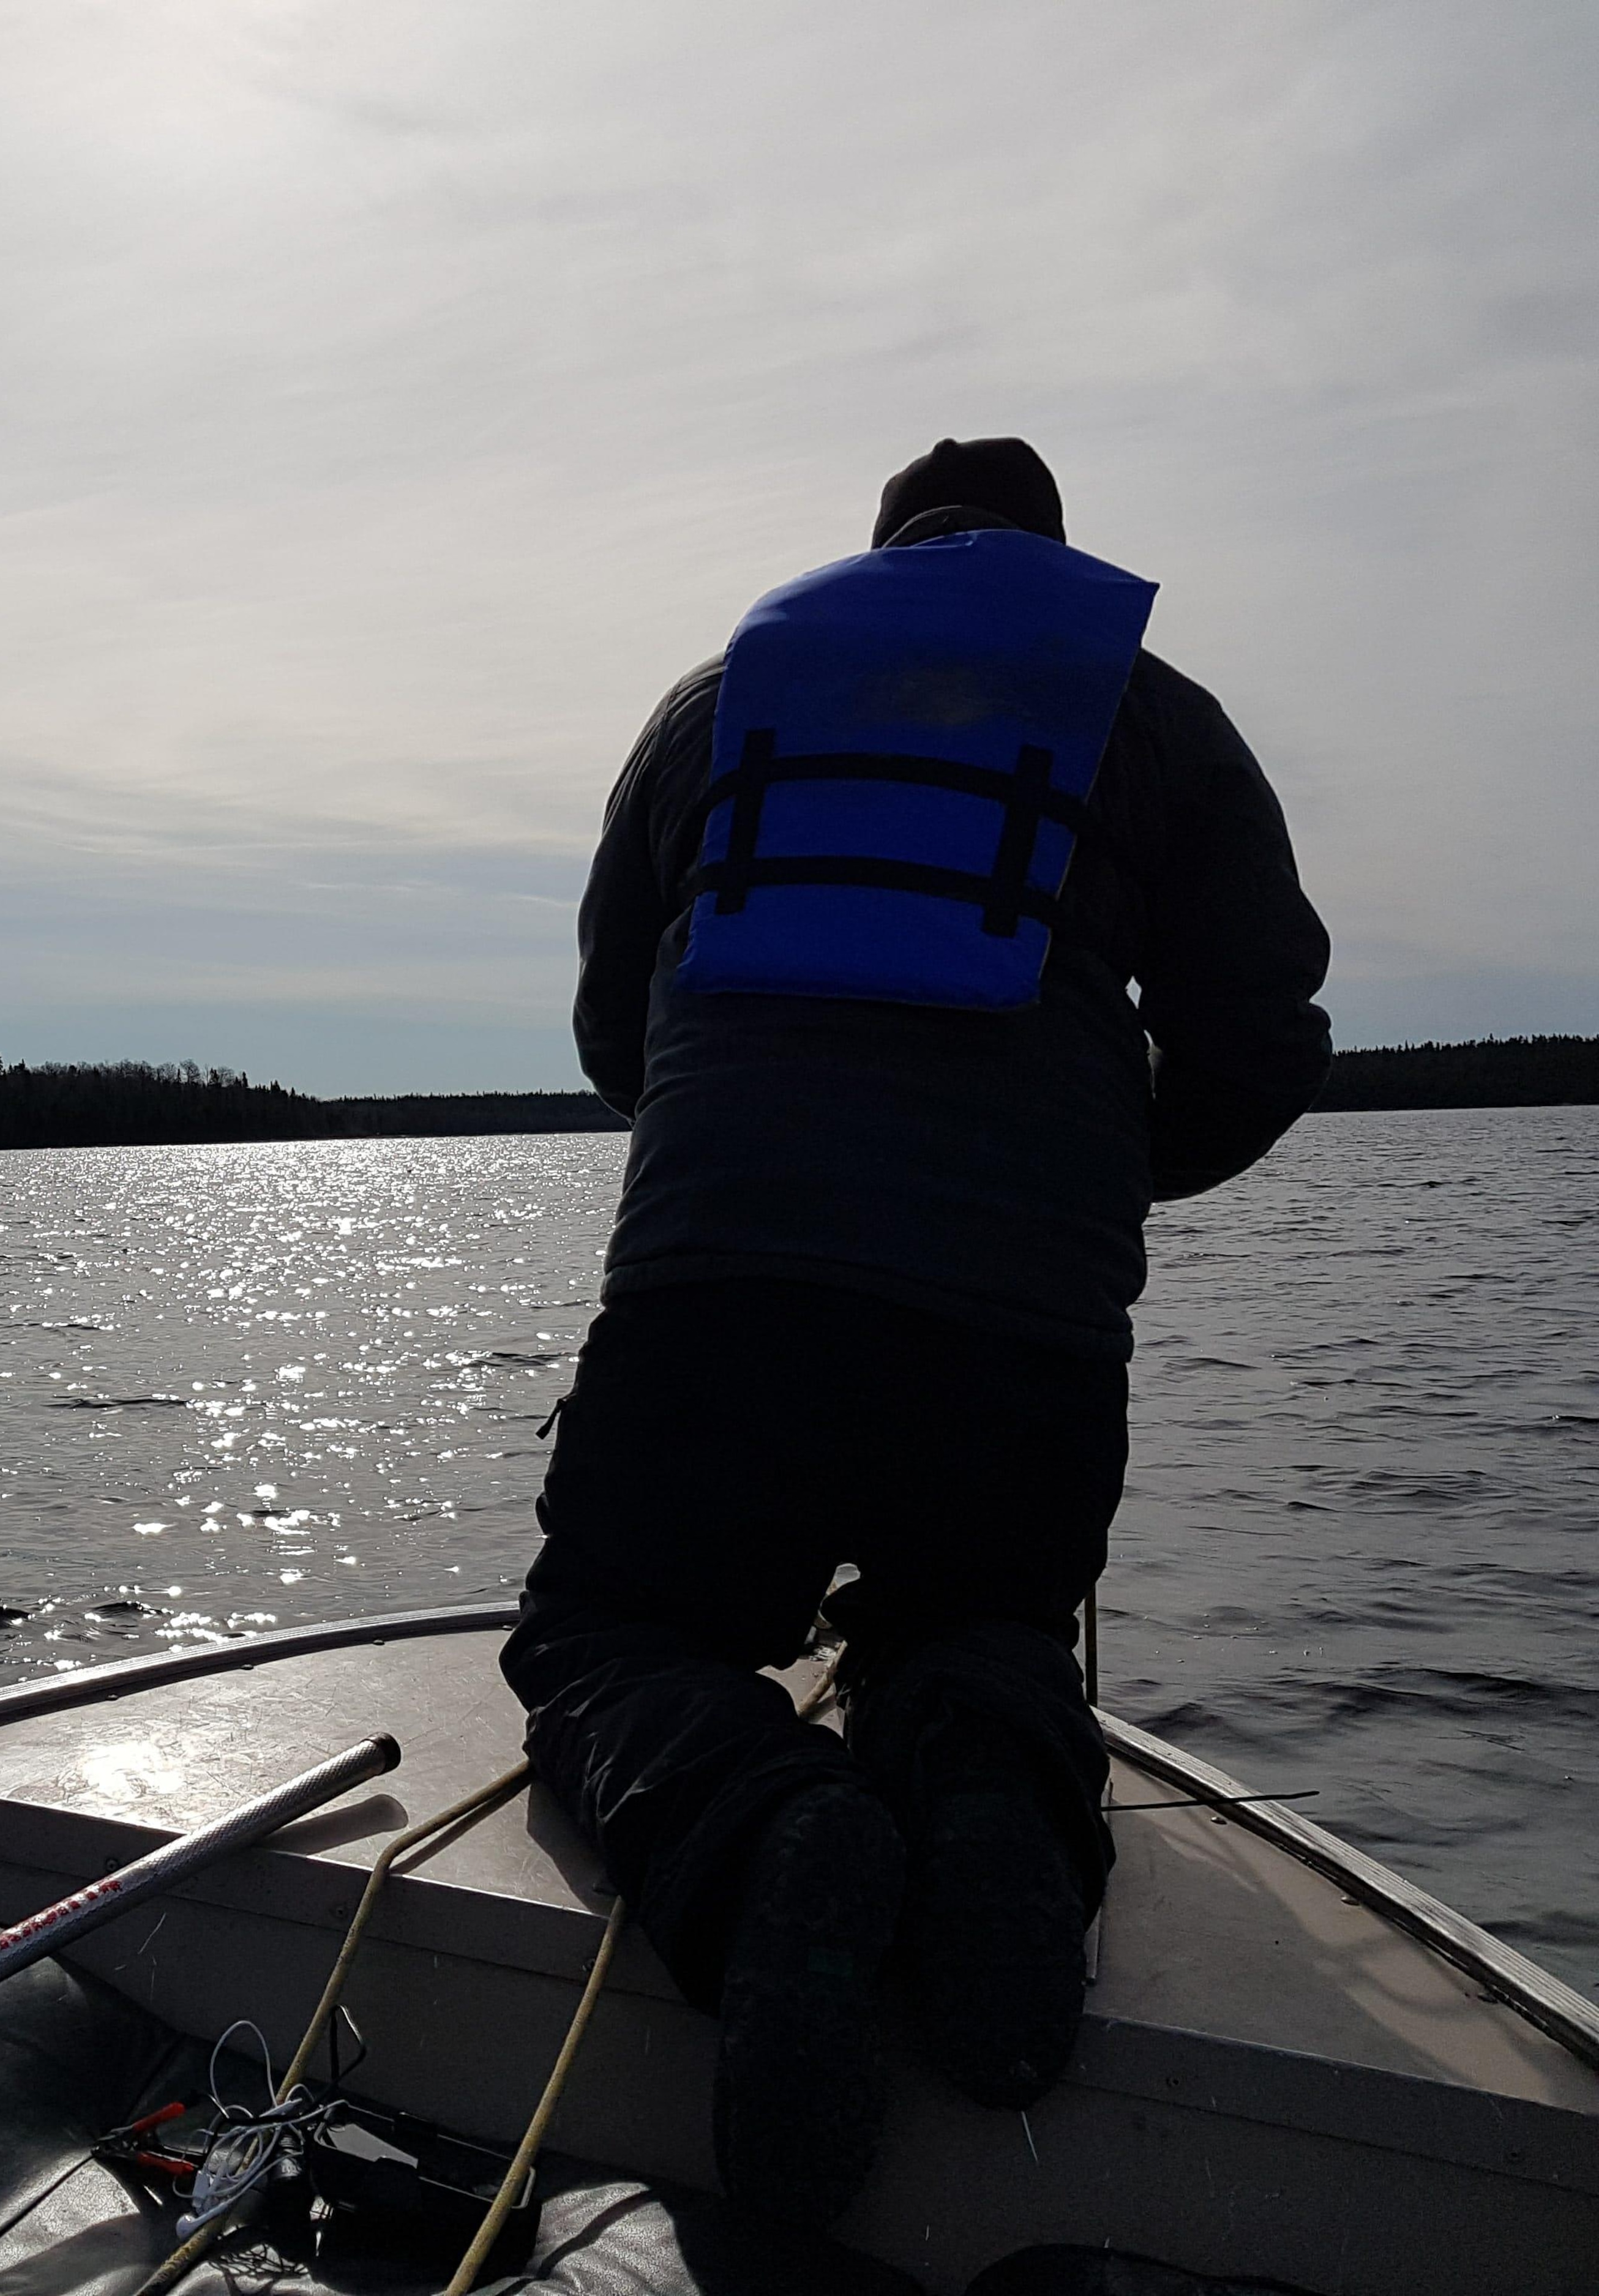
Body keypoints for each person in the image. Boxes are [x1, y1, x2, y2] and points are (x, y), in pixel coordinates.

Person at [503, 438, 1331, 2230]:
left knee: (615, 1637)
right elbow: (1262, 1043)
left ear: (881, 551)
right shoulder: (1156, 712)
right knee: (975, 1632)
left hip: (722, 1294)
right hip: (1018, 1328)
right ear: (1047, 551)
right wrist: (1098, 1177)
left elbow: (607, 1034)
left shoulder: (712, 705)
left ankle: (768, 1828)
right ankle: (986, 1819)